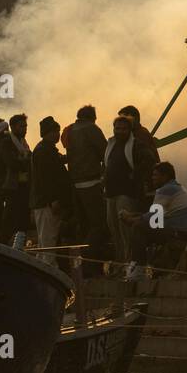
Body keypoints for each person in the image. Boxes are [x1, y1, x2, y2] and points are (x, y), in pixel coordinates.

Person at [128, 161, 187, 264]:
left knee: (138, 227)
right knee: (141, 224)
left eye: (155, 175)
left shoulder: (166, 189)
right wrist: (133, 216)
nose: (152, 178)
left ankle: (138, 269)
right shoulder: (176, 187)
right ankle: (147, 262)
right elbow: (155, 215)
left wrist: (131, 219)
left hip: (180, 233)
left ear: (165, 176)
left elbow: (152, 216)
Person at [65, 104, 109, 269]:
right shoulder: (92, 129)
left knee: (83, 225)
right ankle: (85, 262)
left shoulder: (70, 131)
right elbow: (106, 153)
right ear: (92, 117)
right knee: (98, 225)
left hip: (75, 185)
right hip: (91, 183)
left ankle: (80, 267)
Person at [103, 115, 143, 265]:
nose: (120, 131)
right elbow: (106, 165)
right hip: (111, 194)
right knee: (114, 229)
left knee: (126, 230)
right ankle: (120, 262)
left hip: (126, 194)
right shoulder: (111, 144)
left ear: (129, 130)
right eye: (117, 128)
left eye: (123, 129)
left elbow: (148, 161)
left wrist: (134, 176)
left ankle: (129, 263)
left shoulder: (135, 145)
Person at [31, 116, 69, 267]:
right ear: (46, 133)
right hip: (46, 203)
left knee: (45, 242)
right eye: (54, 131)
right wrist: (53, 200)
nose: (57, 135)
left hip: (43, 202)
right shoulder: (43, 151)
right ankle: (48, 270)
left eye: (58, 131)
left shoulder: (46, 150)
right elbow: (45, 180)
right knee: (48, 241)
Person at [116, 105, 159, 202]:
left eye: (123, 119)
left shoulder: (140, 136)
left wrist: (132, 175)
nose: (121, 123)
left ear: (133, 119)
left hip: (145, 185)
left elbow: (148, 162)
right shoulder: (136, 134)